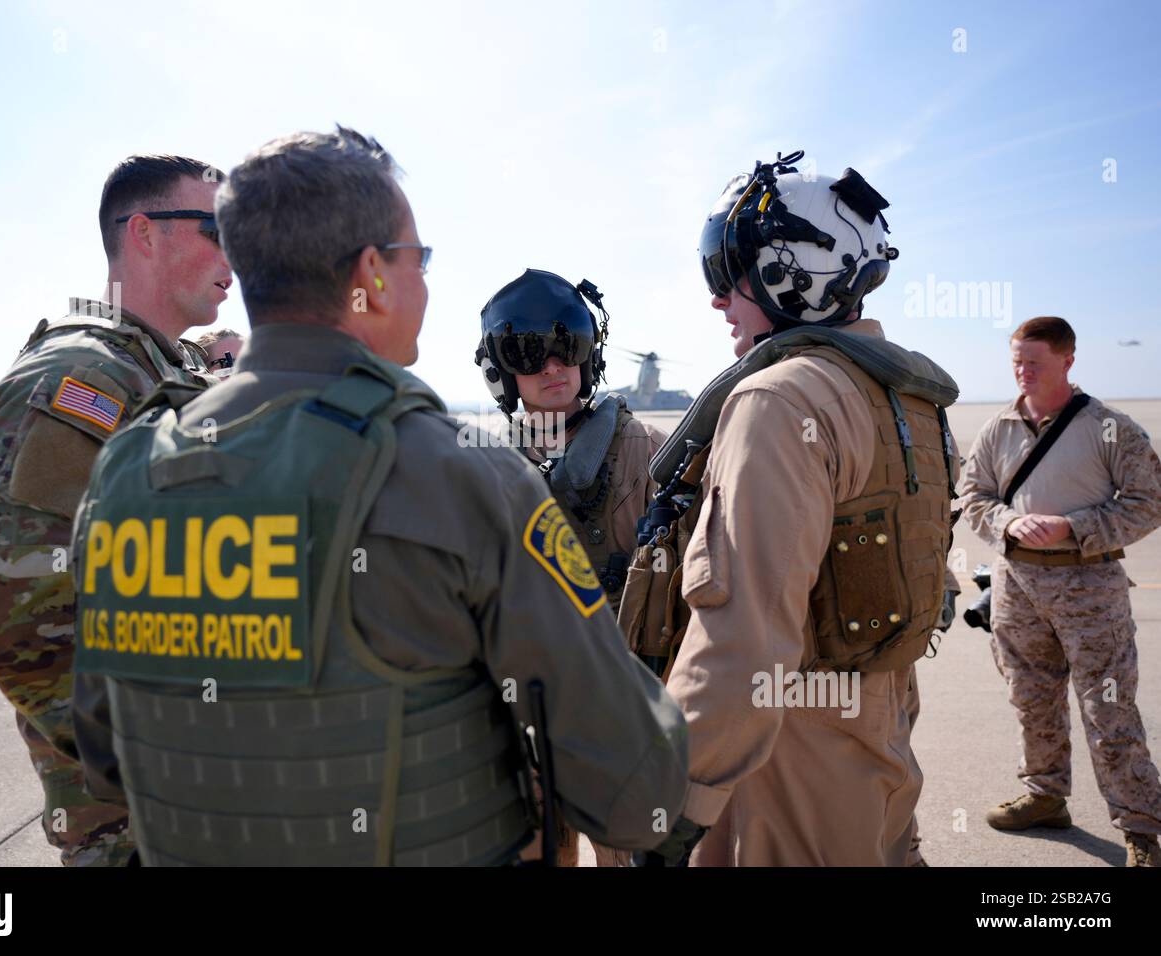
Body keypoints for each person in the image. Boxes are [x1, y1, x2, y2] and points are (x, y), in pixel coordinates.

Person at [68, 127, 689, 866]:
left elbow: (105, 755)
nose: (422, 281)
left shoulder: (129, 473)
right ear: (372, 273)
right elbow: (633, 791)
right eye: (415, 259)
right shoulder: (461, 472)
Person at [647, 151, 958, 865]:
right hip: (881, 730)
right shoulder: (910, 397)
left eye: (727, 274)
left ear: (790, 274)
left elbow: (747, 639)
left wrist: (678, 804)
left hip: (786, 757)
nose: (718, 299)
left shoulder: (779, 400)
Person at [0, 154, 228, 865]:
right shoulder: (80, 380)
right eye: (218, 228)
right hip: (139, 818)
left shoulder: (166, 372)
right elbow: (22, 614)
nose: (236, 255)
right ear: (146, 234)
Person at [474, 269, 667, 867]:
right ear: (503, 370)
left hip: (623, 727)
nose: (553, 367)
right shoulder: (484, 466)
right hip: (521, 727)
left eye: (569, 348)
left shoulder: (655, 454)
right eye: (531, 353)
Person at [958, 315, 1161, 867]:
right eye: (1017, 362)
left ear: (1068, 361)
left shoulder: (1108, 427)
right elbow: (972, 495)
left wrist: (1073, 526)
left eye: (1034, 363)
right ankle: (1045, 796)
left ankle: (1142, 827)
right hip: (1015, 583)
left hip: (1088, 583)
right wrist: (1004, 523)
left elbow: (1149, 502)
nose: (1022, 373)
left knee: (1108, 707)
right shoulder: (999, 426)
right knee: (1031, 697)